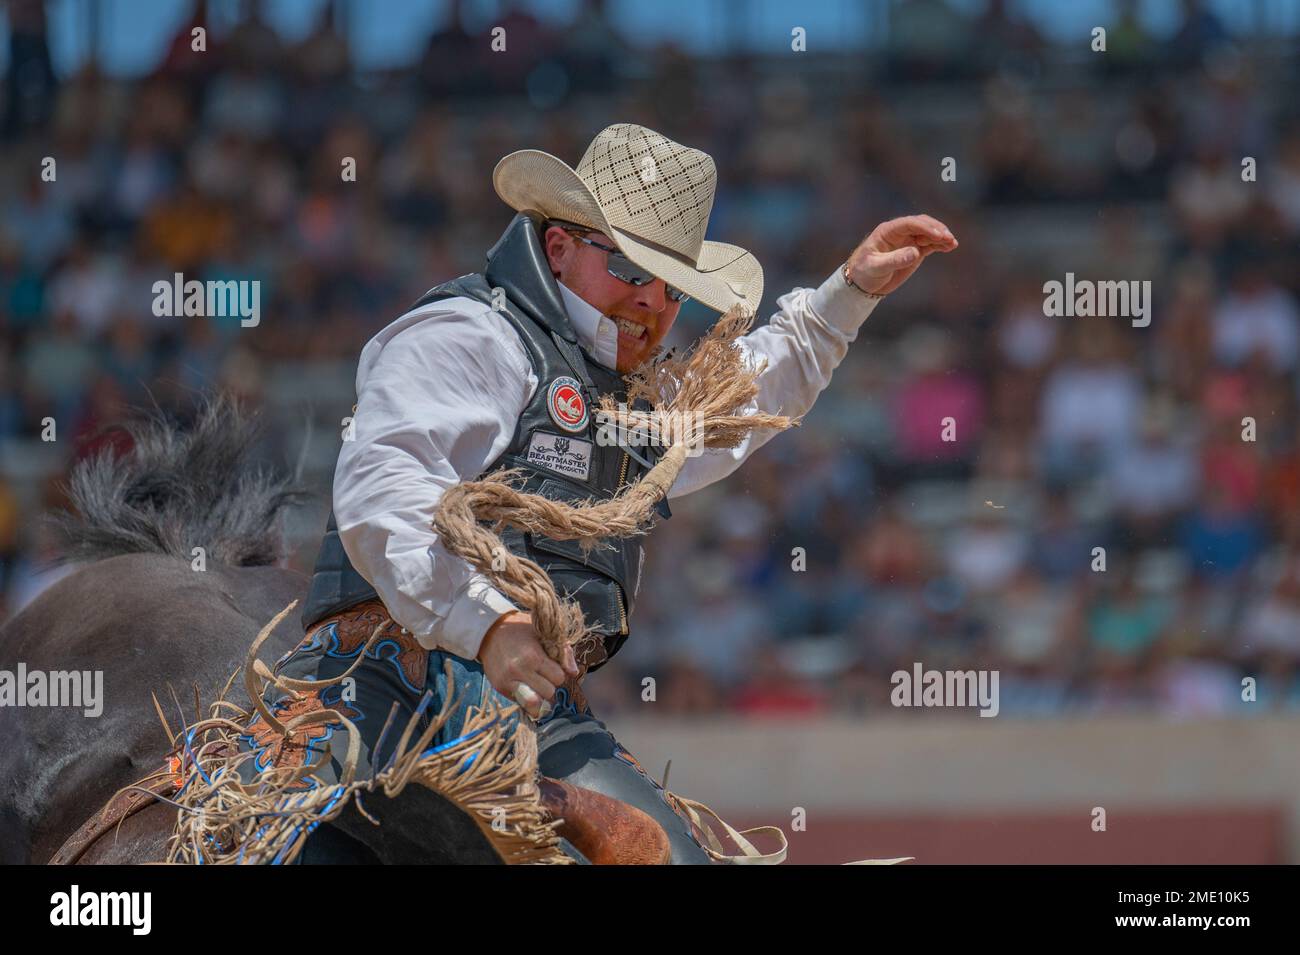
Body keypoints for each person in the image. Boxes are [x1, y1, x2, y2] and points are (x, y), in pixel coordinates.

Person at [255, 123, 957, 864]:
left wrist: (847, 294)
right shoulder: (467, 335)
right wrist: (485, 624)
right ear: (559, 249)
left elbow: (744, 391)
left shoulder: (632, 399)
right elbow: (385, 489)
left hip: (535, 716)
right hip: (377, 688)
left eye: (672, 285)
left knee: (668, 857)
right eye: (629, 268)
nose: (654, 301)